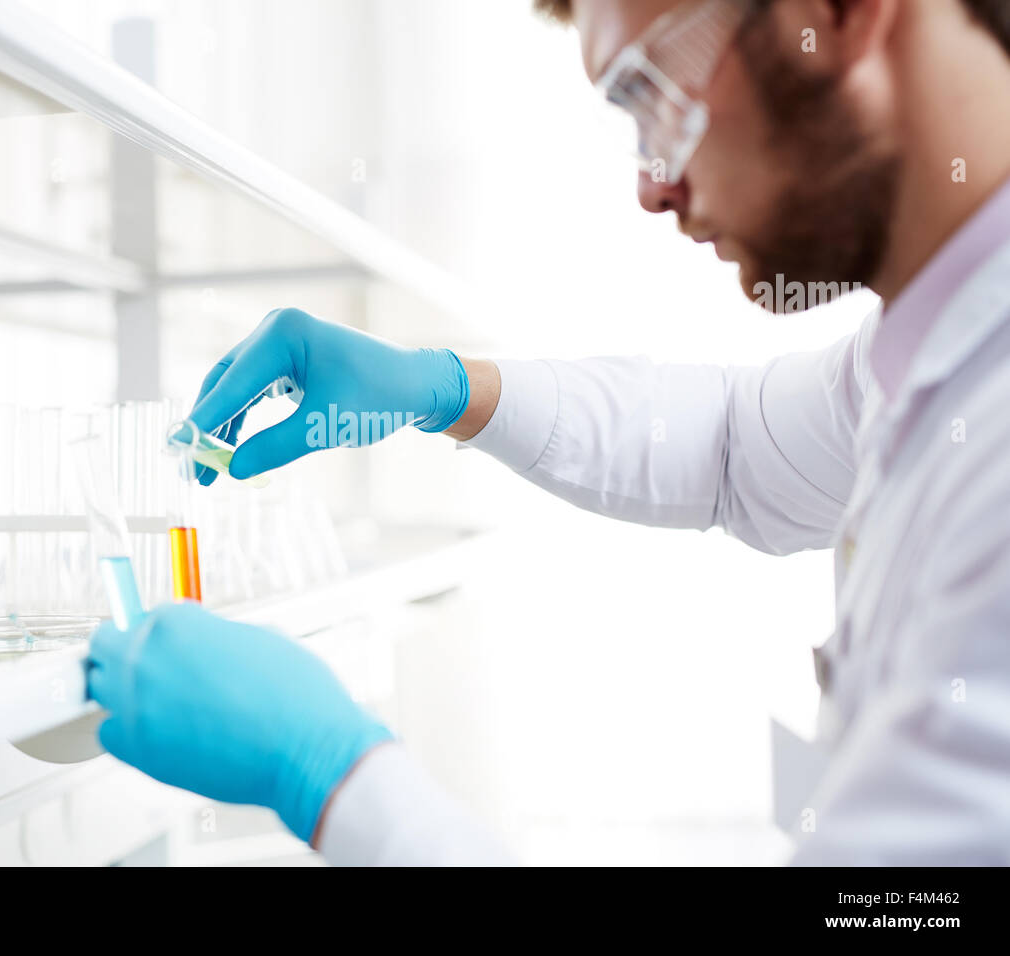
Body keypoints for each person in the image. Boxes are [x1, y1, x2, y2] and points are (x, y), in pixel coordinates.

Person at [88, 0, 1010, 865]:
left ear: (837, 16)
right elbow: (735, 445)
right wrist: (441, 389)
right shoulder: (936, 336)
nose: (655, 186)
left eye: (651, 90)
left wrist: (334, 781)